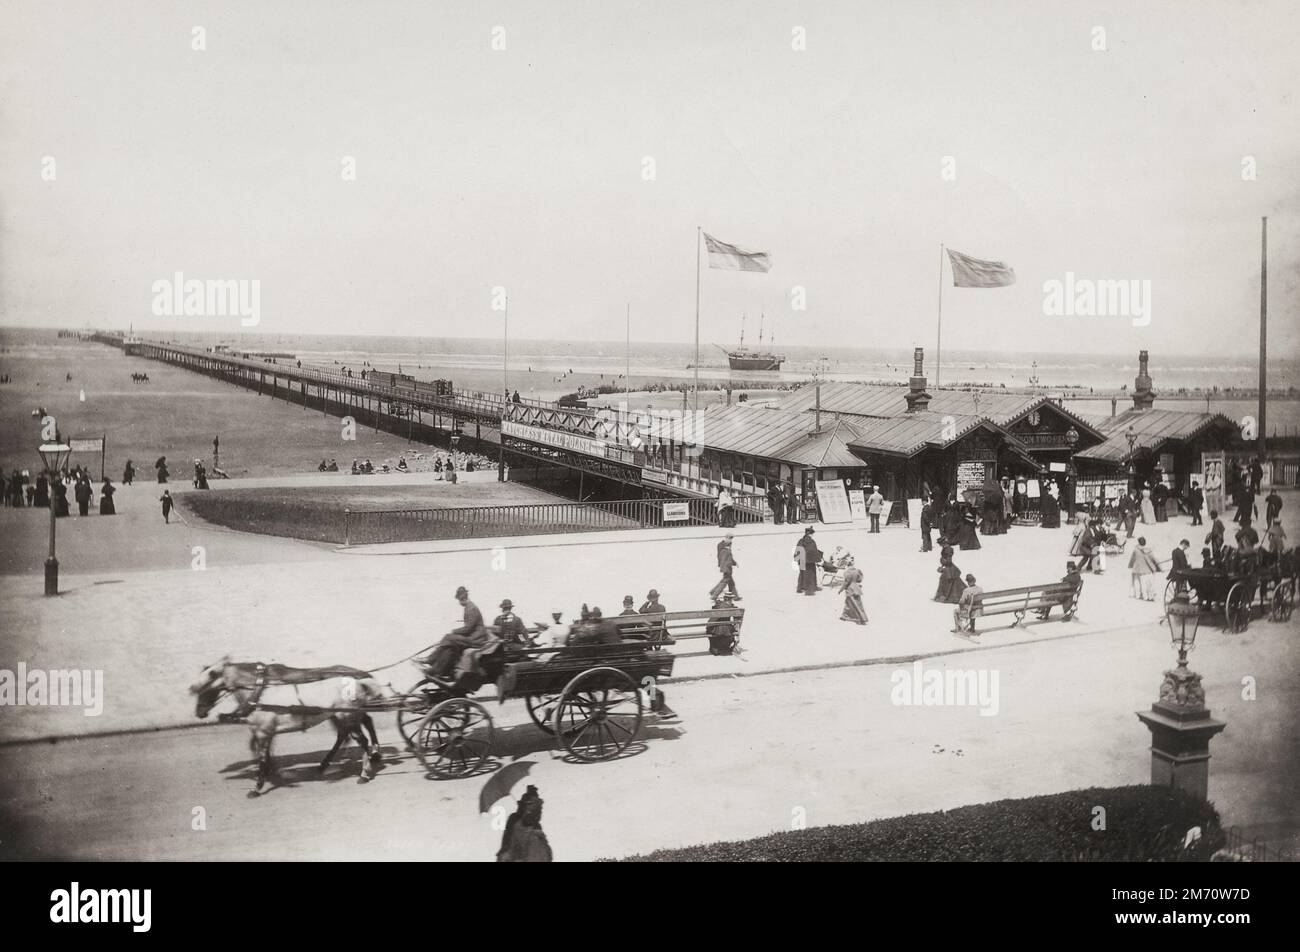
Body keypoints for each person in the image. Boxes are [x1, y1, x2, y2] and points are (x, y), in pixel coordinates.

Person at [425, 587, 490, 682]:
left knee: (448, 637)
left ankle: (431, 660)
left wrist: (454, 631)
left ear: (463, 598)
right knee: (450, 647)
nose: (459, 603)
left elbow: (468, 628)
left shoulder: (471, 608)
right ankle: (437, 669)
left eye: (459, 600)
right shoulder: (469, 607)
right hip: (472, 637)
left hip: (476, 640)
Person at [496, 785, 552, 863]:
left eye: (537, 807)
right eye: (530, 805)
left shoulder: (536, 826)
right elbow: (507, 846)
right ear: (524, 806)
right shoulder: (516, 821)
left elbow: (545, 852)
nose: (539, 810)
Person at [837, 556, 867, 625]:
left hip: (850, 590)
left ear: (847, 565)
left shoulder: (847, 572)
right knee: (854, 603)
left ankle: (861, 619)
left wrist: (840, 590)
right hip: (857, 589)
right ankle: (844, 616)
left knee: (854, 604)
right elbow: (859, 580)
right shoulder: (857, 571)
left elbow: (845, 583)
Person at [710, 534, 741, 601]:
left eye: (731, 539)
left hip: (727, 567)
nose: (730, 540)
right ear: (726, 538)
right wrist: (724, 568)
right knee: (724, 583)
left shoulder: (727, 546)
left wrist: (734, 563)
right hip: (726, 568)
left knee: (730, 582)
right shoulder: (724, 548)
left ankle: (735, 596)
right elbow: (723, 559)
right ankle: (714, 595)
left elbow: (730, 557)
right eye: (729, 538)